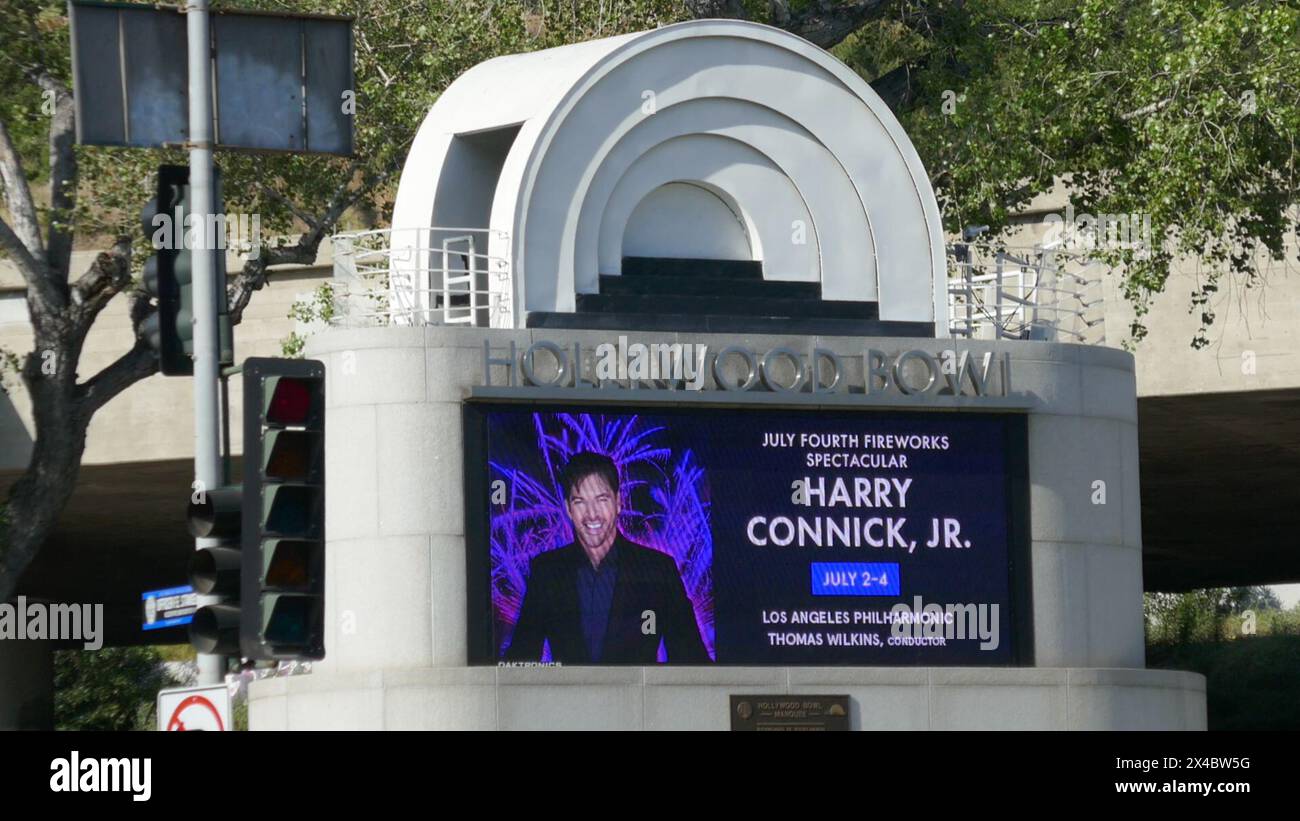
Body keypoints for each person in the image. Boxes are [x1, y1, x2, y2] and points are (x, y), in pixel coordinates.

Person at [504, 451, 709, 663]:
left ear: (618, 502)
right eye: (580, 501)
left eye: (601, 499)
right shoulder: (547, 571)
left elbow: (692, 661)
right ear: (568, 508)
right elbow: (521, 659)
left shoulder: (659, 569)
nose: (592, 514)